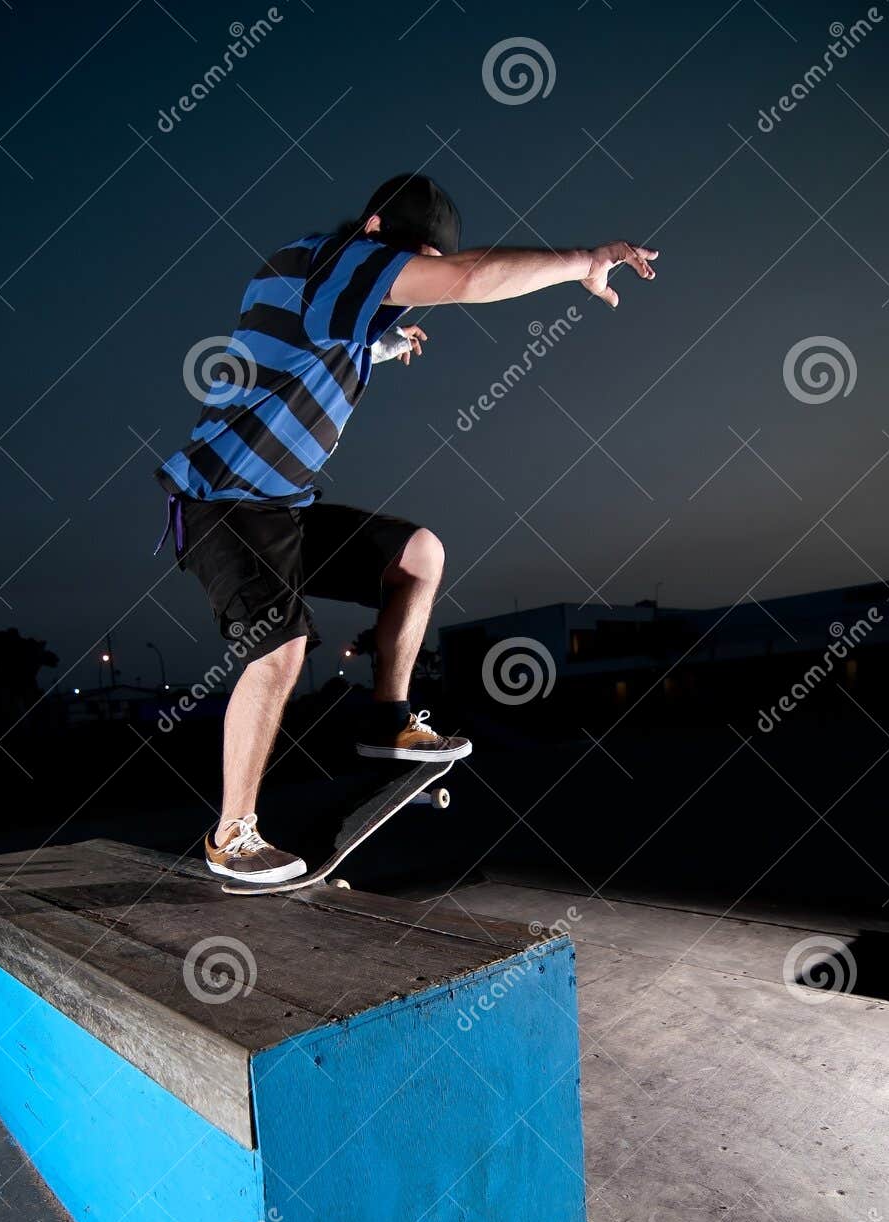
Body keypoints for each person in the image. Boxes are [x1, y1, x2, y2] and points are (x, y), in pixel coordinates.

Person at [154, 173, 657, 884]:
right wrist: (580, 262)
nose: (406, 292)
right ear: (374, 236)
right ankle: (231, 835)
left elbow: (317, 345)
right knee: (282, 648)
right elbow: (469, 276)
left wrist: (384, 349)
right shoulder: (332, 260)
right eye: (408, 268)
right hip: (223, 503)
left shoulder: (331, 297)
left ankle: (386, 718)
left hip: (283, 506)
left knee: (418, 554)